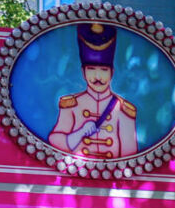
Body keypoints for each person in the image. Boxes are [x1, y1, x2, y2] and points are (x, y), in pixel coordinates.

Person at [48, 22, 138, 159]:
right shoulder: (71, 105)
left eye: (103, 70)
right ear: (83, 73)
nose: (97, 77)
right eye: (91, 70)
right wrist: (81, 132)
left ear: (112, 73)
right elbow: (55, 139)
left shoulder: (124, 109)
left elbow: (130, 153)